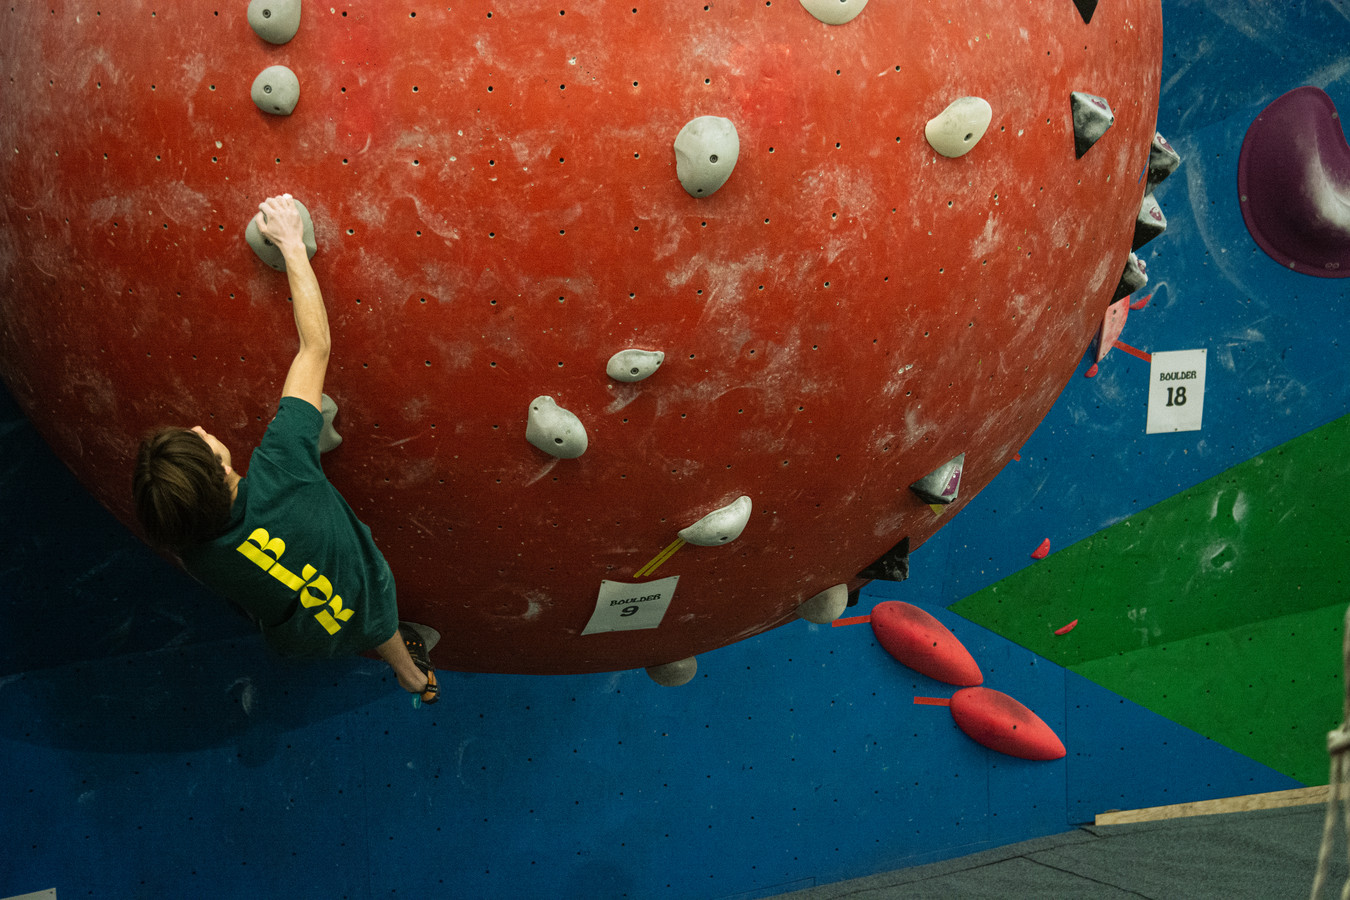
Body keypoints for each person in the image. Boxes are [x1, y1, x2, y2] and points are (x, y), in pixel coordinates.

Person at [132, 193, 438, 704]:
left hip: (298, 641)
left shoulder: (196, 553)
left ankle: (406, 672)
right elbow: (315, 346)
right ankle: (412, 676)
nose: (201, 429)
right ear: (223, 467)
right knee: (379, 629)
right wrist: (293, 245)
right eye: (201, 441)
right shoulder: (283, 463)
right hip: (366, 605)